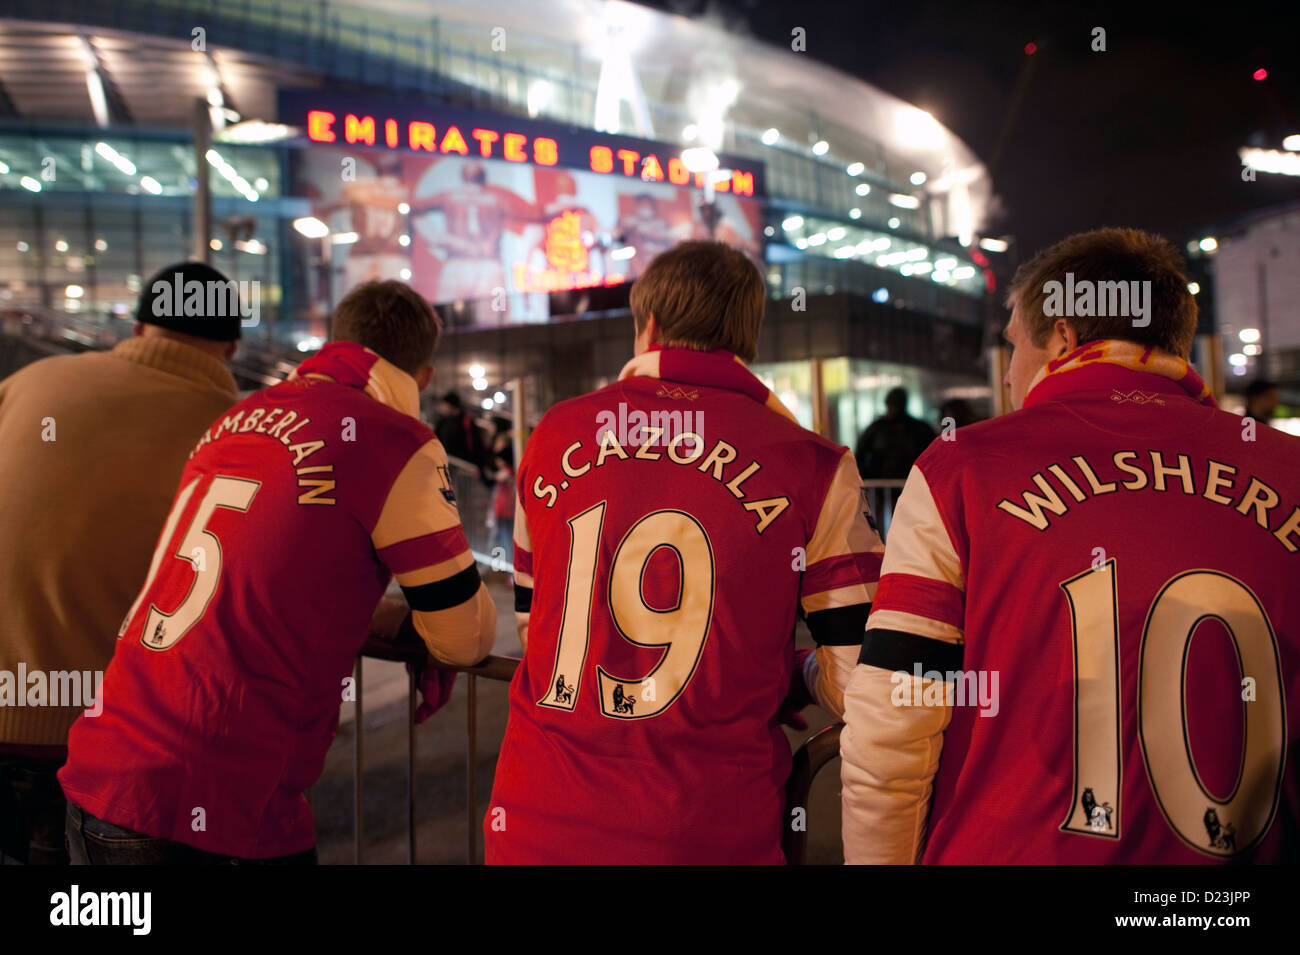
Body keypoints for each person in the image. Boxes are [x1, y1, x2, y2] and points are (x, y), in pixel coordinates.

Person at [840, 227, 1300, 863]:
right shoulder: (1288, 468)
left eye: (1013, 348)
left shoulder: (965, 469)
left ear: (1062, 335)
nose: (1008, 376)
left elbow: (897, 712)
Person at [59, 279, 497, 864]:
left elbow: (256, 579)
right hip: (217, 802)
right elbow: (465, 636)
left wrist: (382, 620)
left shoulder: (239, 416)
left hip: (100, 773)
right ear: (421, 376)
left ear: (334, 340)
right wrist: (423, 628)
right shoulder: (393, 440)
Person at [487, 240, 883, 864]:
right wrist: (795, 673)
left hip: (536, 819)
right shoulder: (813, 463)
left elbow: (535, 623)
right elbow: (865, 677)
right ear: (747, 334)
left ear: (648, 325)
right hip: (704, 828)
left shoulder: (554, 431)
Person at [0, 261, 241, 864]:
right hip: (97, 745)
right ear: (232, 345)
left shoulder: (31, 381)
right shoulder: (232, 432)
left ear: (137, 330)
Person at [853, 387, 937, 482]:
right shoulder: (877, 428)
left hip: (893, 483)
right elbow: (860, 454)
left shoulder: (919, 428)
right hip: (885, 484)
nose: (893, 409)